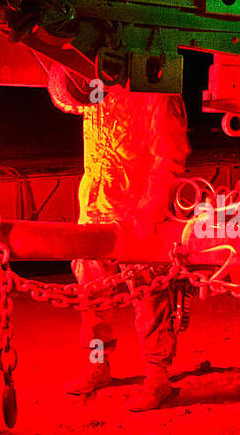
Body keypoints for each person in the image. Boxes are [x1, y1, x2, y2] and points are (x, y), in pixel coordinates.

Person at [46, 64, 190, 411]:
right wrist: (56, 66)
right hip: (94, 211)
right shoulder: (95, 92)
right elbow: (65, 100)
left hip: (136, 218)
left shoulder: (155, 91)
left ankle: (157, 377)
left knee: (149, 299)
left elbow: (170, 156)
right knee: (93, 301)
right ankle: (98, 365)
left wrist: (151, 210)